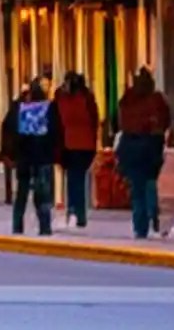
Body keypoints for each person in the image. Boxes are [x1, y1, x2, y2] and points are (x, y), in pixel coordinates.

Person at [0, 77, 61, 236]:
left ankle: (17, 226)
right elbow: (57, 130)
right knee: (43, 195)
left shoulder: (19, 109)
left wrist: (8, 153)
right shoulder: (49, 109)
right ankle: (45, 226)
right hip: (42, 156)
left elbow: (8, 130)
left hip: (24, 156)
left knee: (21, 194)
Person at [116, 68, 172, 240]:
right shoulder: (156, 100)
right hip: (151, 146)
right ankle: (152, 216)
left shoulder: (128, 99)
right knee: (149, 182)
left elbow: (121, 120)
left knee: (137, 189)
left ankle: (140, 226)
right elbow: (165, 120)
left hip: (132, 146)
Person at [55, 72, 99, 229]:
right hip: (85, 144)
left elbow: (58, 120)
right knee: (79, 179)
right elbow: (94, 119)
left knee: (73, 179)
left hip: (69, 143)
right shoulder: (86, 97)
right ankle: (79, 213)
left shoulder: (62, 98)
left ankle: (74, 211)